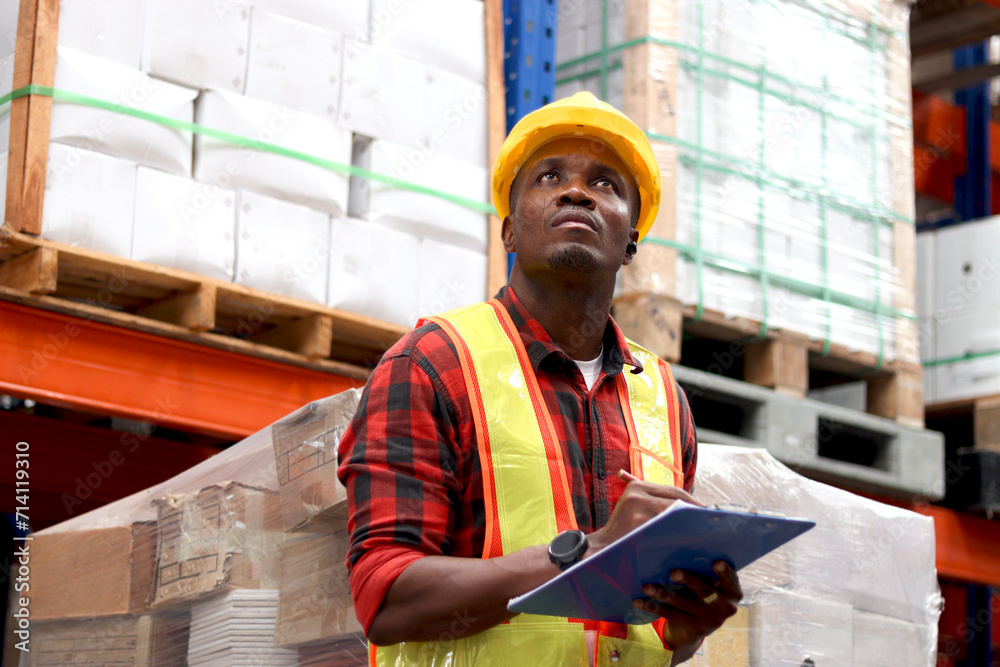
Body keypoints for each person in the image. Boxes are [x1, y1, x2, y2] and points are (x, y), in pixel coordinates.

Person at [337, 92, 742, 666]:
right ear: (508, 231)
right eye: (549, 176)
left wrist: (687, 626)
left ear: (630, 242)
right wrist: (582, 555)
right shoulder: (432, 364)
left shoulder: (663, 398)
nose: (576, 191)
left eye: (606, 184)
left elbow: (648, 638)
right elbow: (385, 595)